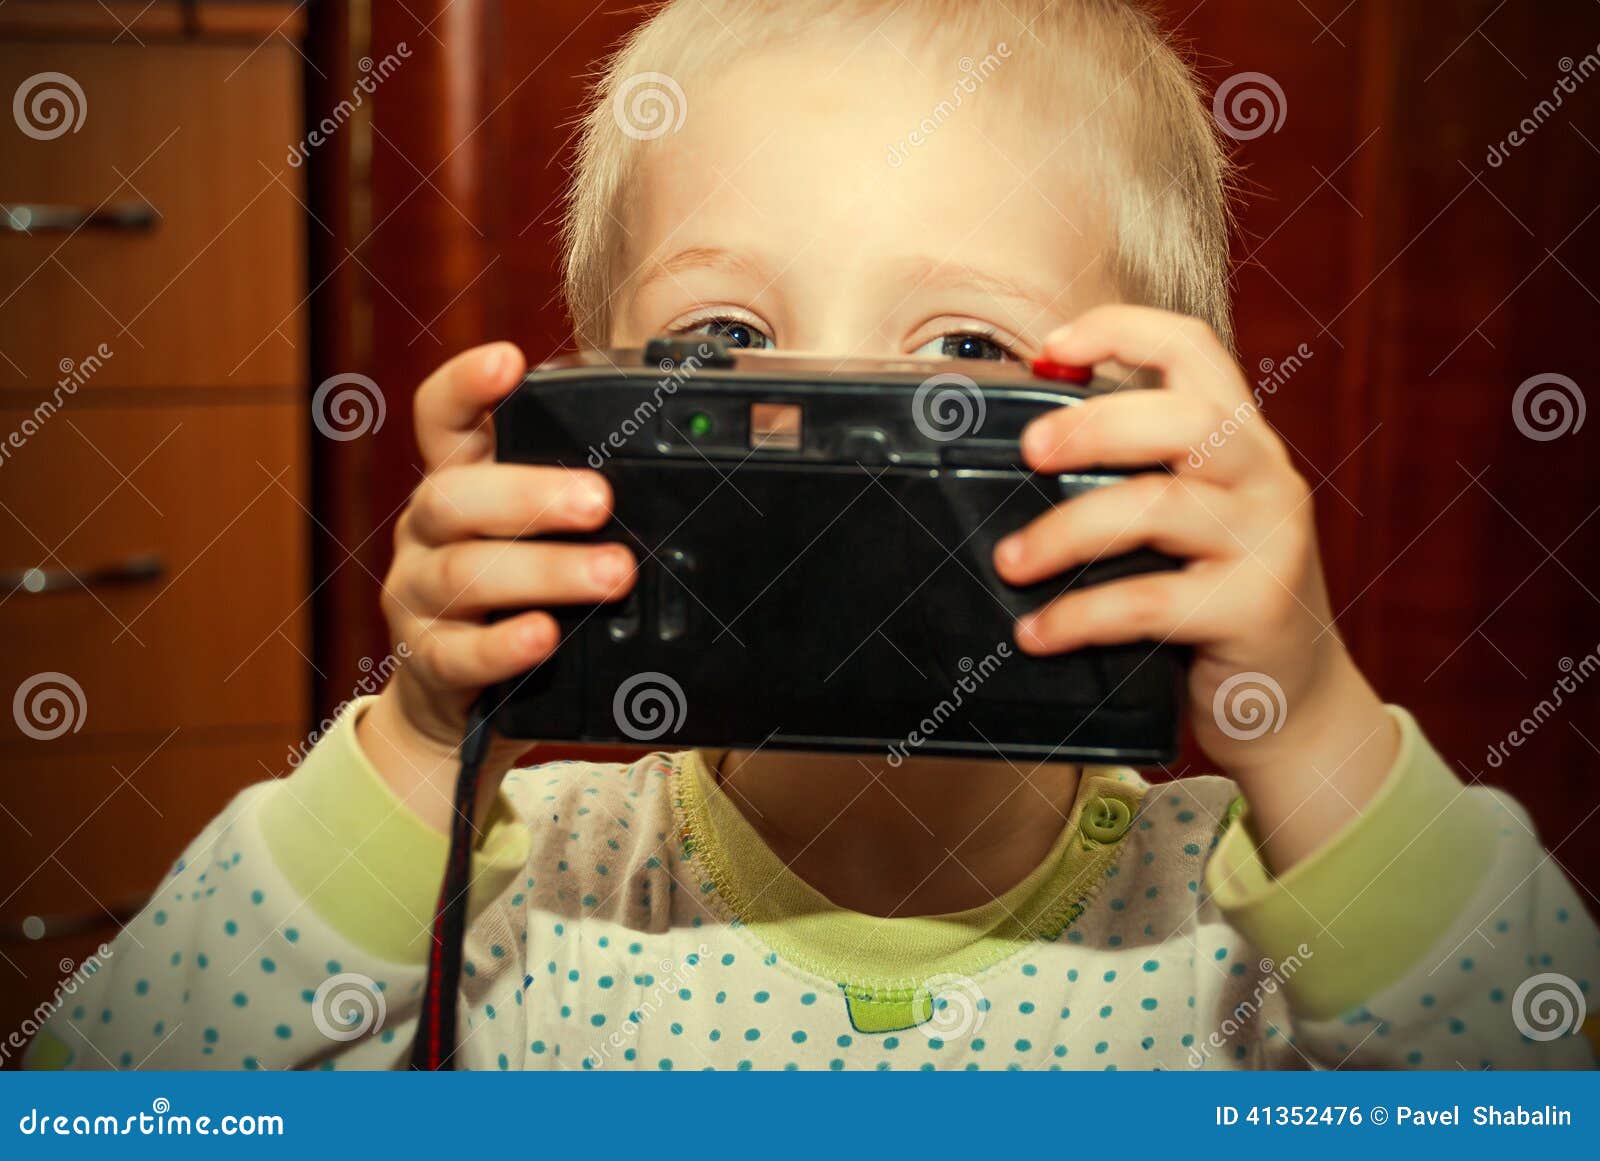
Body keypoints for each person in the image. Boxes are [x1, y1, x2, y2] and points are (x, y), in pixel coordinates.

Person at [30, 0, 1597, 1071]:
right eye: (720, 340)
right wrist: (424, 750)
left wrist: (1308, 724)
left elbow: (1543, 1077)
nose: (849, 444)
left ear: (1153, 447)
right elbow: (117, 1095)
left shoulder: (1248, 934)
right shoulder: (521, 900)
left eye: (967, 359)